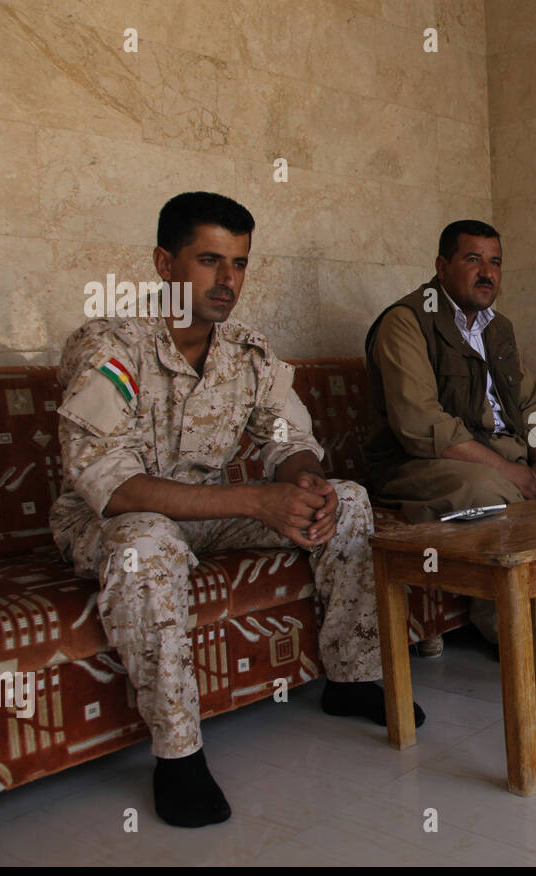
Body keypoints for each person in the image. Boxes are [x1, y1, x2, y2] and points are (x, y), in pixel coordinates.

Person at [51, 192, 422, 828]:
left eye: (241, 264)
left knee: (351, 500)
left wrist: (307, 484)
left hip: (209, 516)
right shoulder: (110, 347)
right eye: (210, 260)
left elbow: (287, 439)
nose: (229, 281)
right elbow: (113, 487)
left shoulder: (246, 353)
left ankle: (354, 679)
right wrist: (257, 498)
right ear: (165, 264)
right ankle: (178, 755)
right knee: (149, 541)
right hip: (113, 523)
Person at [364, 219, 536, 644]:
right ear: (442, 266)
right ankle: (501, 623)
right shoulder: (407, 321)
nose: (487, 273)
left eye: (495, 262)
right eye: (473, 260)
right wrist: (509, 469)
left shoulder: (497, 327)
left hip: (504, 456)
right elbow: (420, 424)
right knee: (491, 489)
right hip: (423, 462)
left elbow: (532, 402)